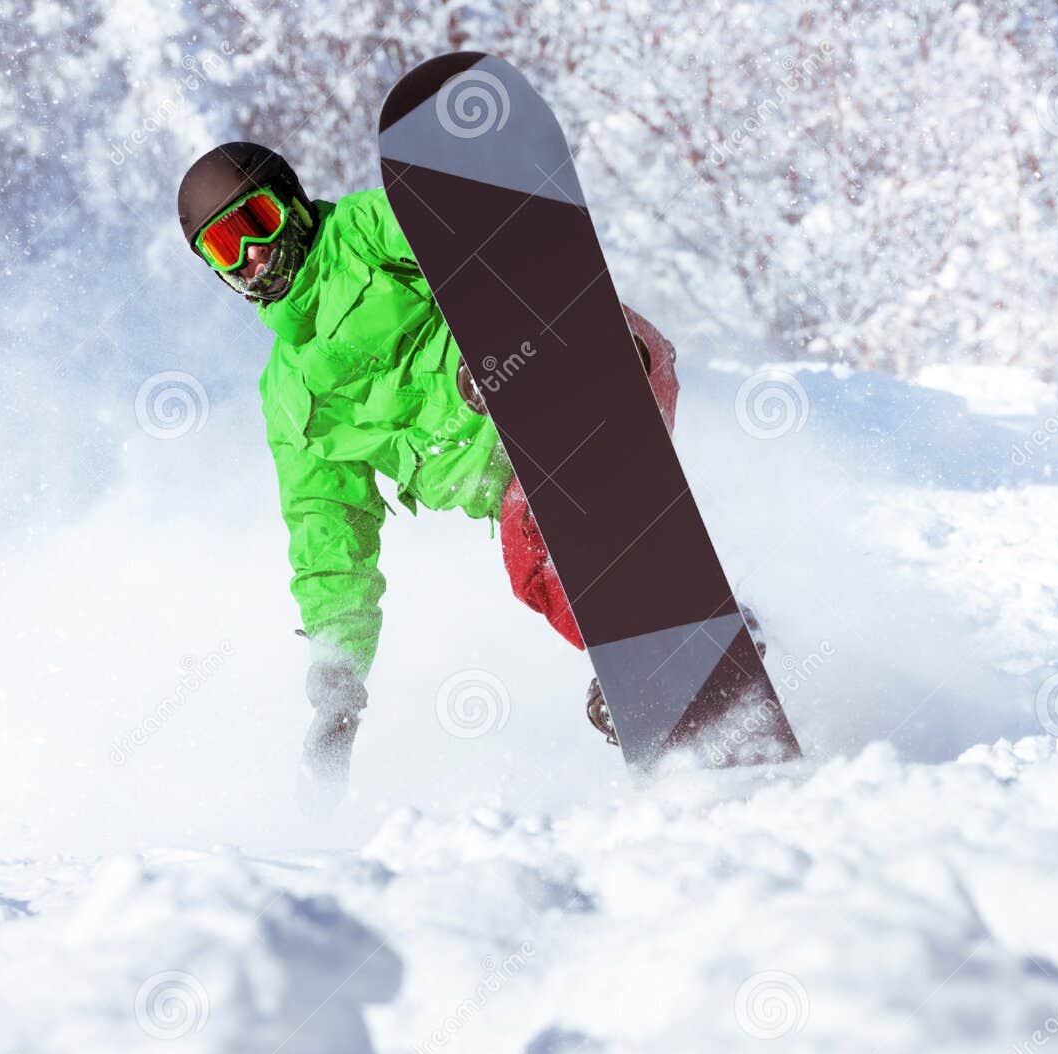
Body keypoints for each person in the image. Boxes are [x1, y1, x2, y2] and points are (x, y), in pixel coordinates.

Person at [176, 141, 686, 813]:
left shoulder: (360, 232)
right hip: (518, 484)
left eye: (256, 225)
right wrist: (336, 692)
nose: (252, 257)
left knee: (543, 489)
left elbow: (460, 231)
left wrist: (496, 327)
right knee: (532, 554)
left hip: (562, 359)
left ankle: (578, 371)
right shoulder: (289, 397)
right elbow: (328, 533)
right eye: (224, 248)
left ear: (292, 205)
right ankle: (671, 654)